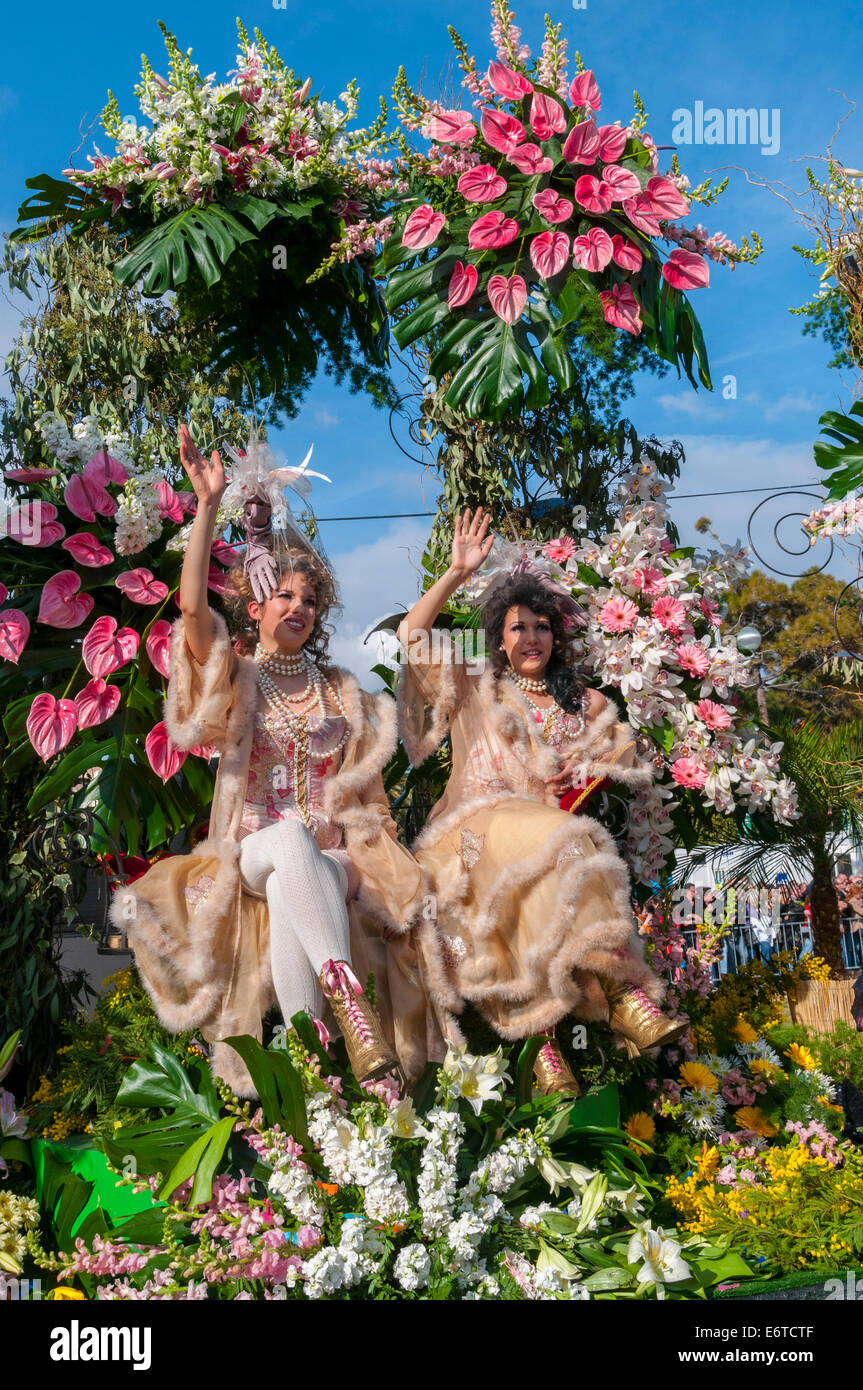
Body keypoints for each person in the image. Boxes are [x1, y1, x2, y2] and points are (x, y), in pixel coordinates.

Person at [110, 424, 439, 1096]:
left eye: (310, 600)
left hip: (338, 861)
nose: (299, 608)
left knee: (304, 870)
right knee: (287, 841)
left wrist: (346, 834)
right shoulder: (236, 675)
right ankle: (346, 1010)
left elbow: (369, 806)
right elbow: (192, 606)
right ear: (256, 607)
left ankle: (316, 1068)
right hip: (250, 848)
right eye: (285, 596)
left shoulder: (343, 692)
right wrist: (207, 507)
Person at [396, 508, 687, 1096]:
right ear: (498, 640)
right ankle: (583, 1022)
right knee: (560, 844)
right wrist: (455, 572)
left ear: (558, 635)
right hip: (469, 833)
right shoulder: (475, 684)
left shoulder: (588, 704)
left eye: (542, 627)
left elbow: (624, 767)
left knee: (564, 854)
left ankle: (560, 1039)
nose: (531, 638)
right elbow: (411, 638)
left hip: (547, 842)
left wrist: (585, 769)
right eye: (517, 628)